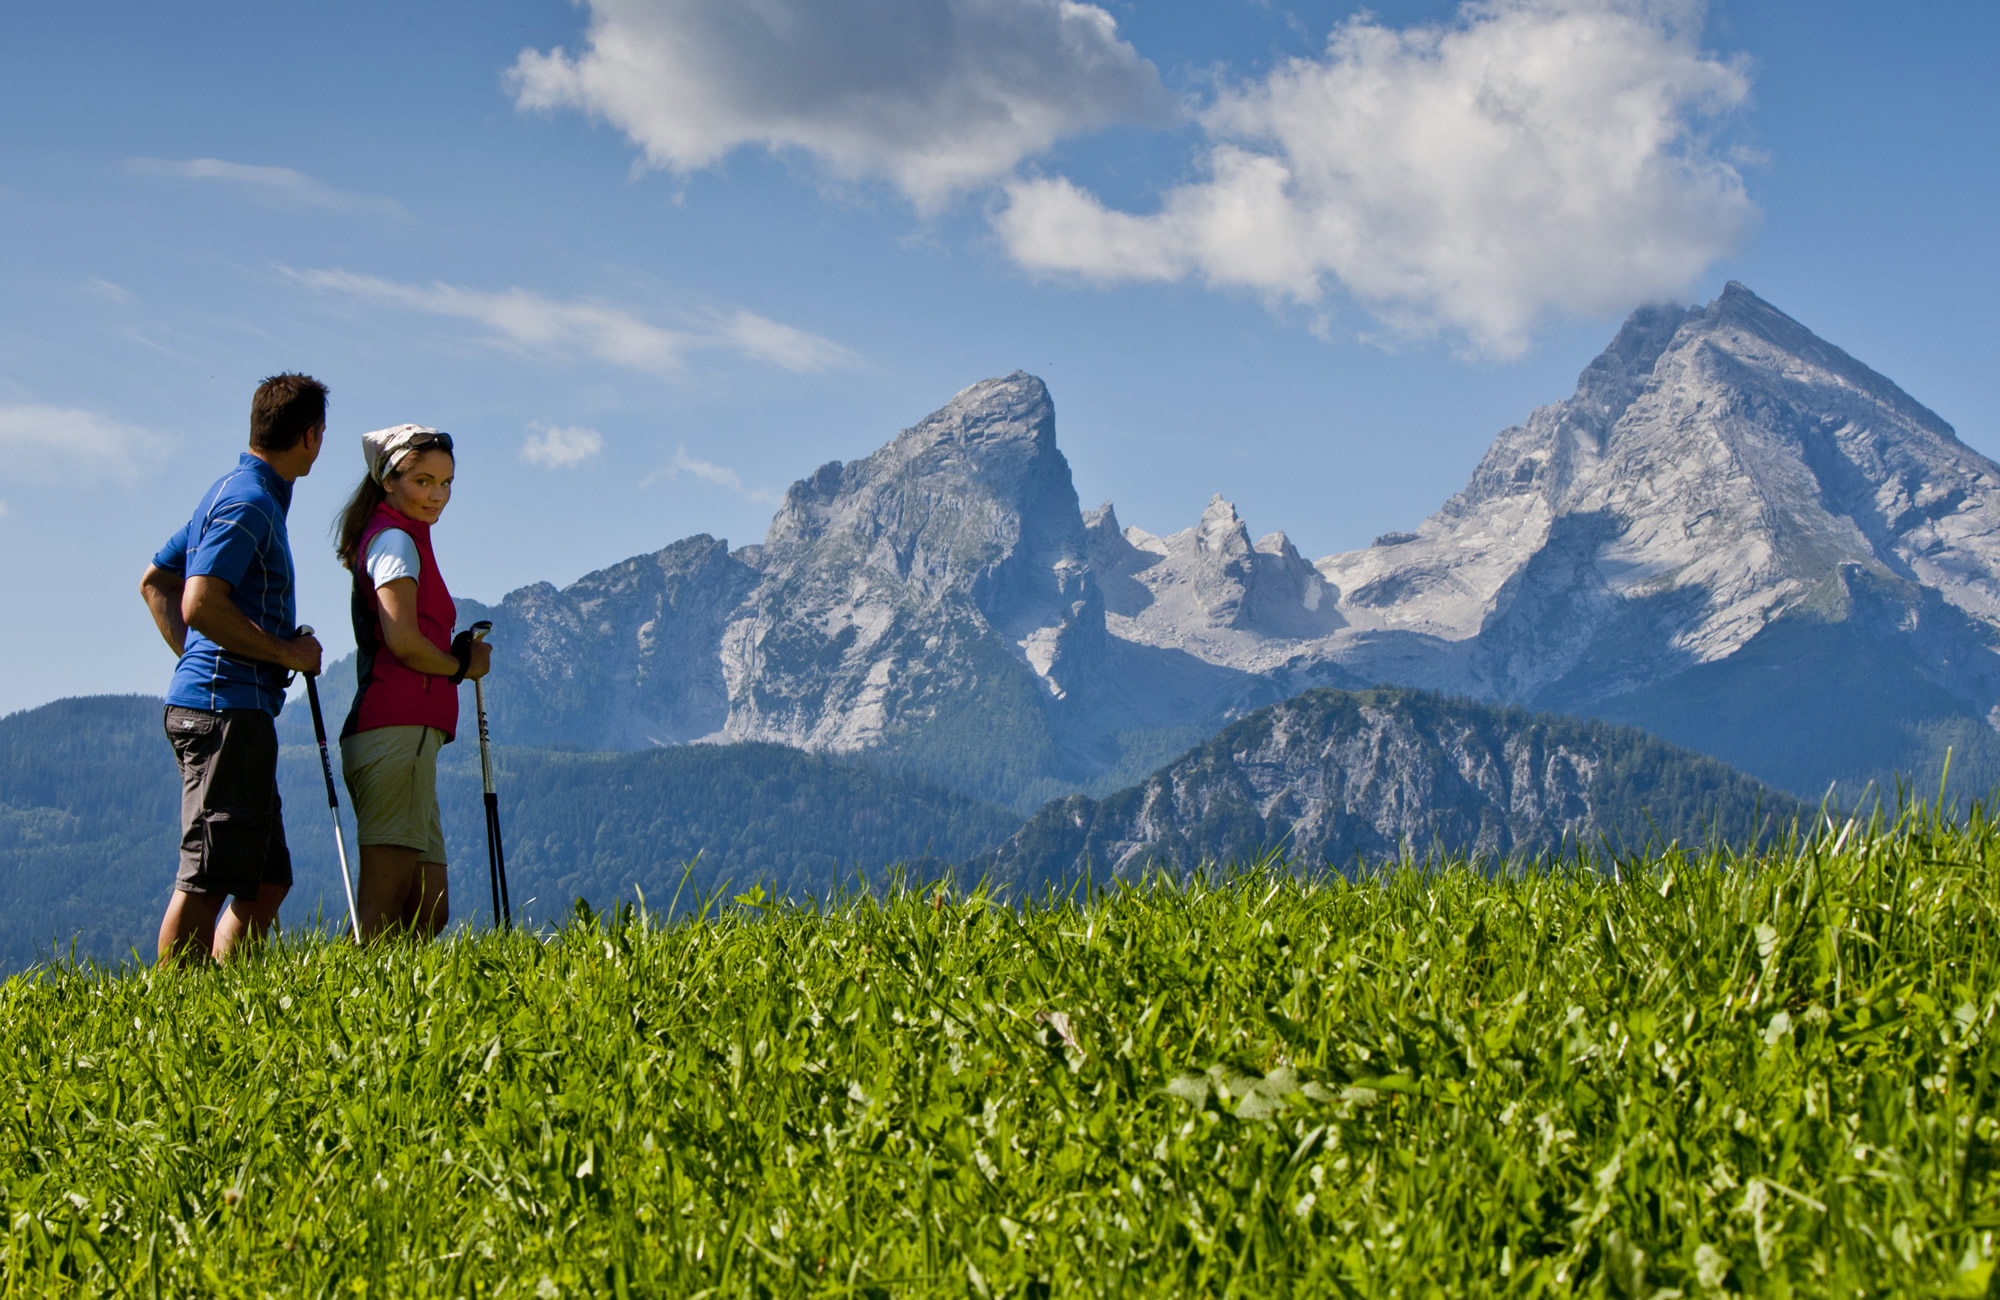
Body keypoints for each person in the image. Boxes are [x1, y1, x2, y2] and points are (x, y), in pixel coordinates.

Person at [139, 373, 328, 966]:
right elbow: (197, 603)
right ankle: (175, 1008)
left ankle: (224, 994)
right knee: (208, 875)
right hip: (226, 714)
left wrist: (199, 659)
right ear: (310, 436)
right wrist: (286, 654)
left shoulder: (234, 493)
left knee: (267, 879)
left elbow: (157, 580)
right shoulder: (248, 502)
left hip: (231, 707)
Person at [333, 424, 490, 943]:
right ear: (388, 481)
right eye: (423, 481)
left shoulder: (399, 537)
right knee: (384, 907)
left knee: (428, 907)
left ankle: (392, 992)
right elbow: (403, 641)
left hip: (408, 735)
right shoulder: (395, 540)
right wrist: (461, 666)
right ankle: (352, 989)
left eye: (446, 483)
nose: (437, 495)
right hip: (396, 729)